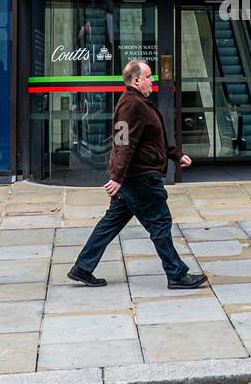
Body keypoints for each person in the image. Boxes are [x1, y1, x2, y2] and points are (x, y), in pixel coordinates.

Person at [67, 60, 208, 290]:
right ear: (136, 80)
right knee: (160, 223)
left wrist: (175, 155)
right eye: (149, 76)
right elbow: (123, 143)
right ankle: (176, 274)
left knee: (111, 222)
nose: (152, 80)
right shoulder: (131, 105)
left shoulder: (137, 102)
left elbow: (153, 139)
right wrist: (117, 177)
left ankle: (83, 267)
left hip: (132, 178)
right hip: (140, 178)